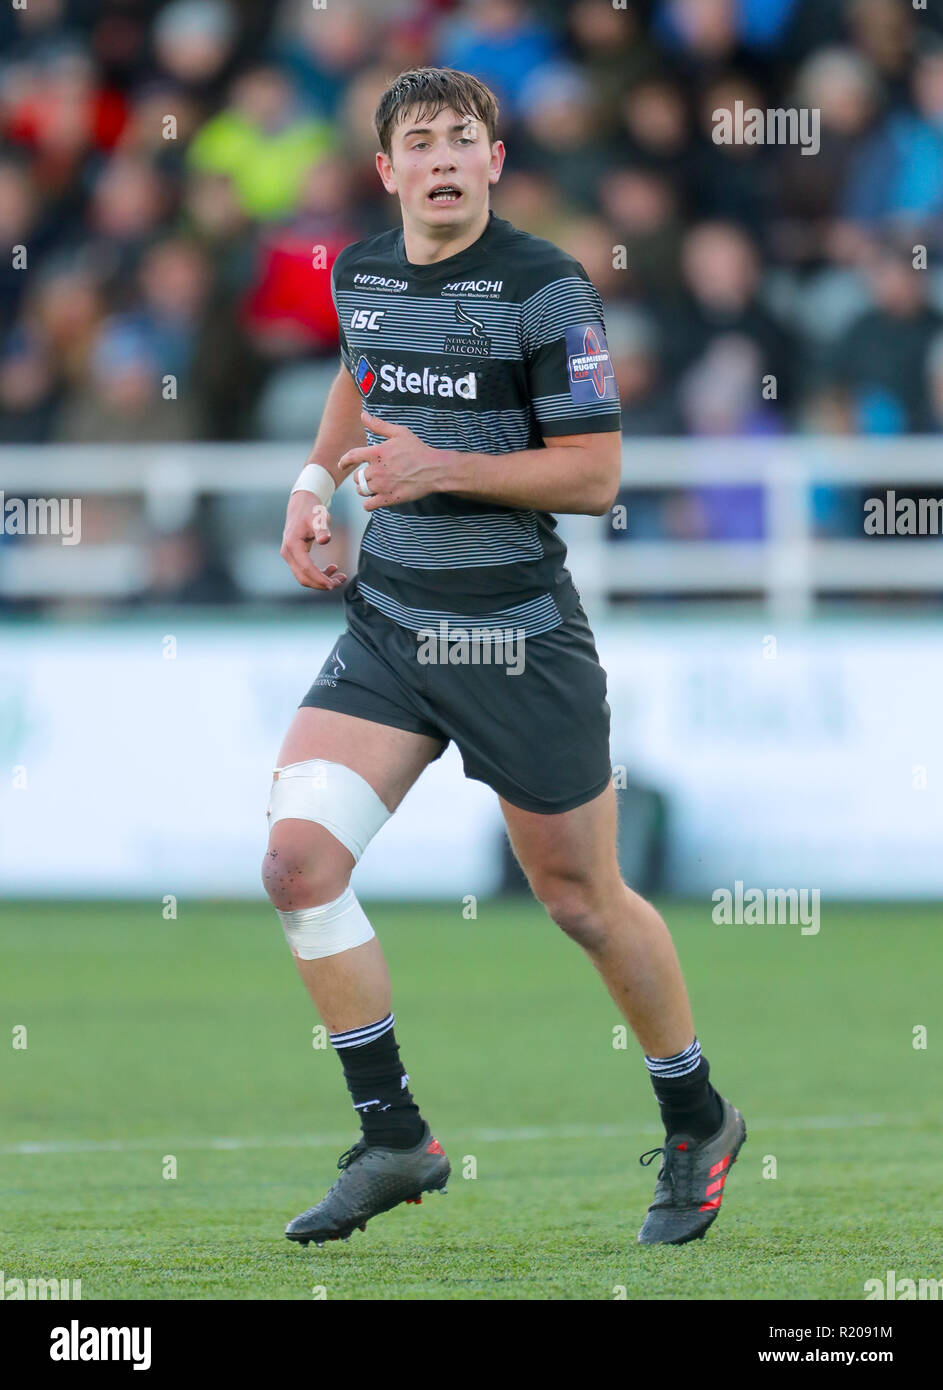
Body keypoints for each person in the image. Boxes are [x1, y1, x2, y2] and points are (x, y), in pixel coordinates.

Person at [262, 66, 746, 1250]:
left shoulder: (546, 291)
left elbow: (594, 475)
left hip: (514, 636)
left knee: (581, 899)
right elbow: (359, 370)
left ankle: (696, 1114)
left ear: (493, 160)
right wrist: (314, 481)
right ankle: (394, 1139)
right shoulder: (366, 273)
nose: (439, 157)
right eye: (416, 141)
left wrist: (443, 469)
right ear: (386, 171)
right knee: (296, 863)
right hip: (388, 624)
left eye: (460, 139)